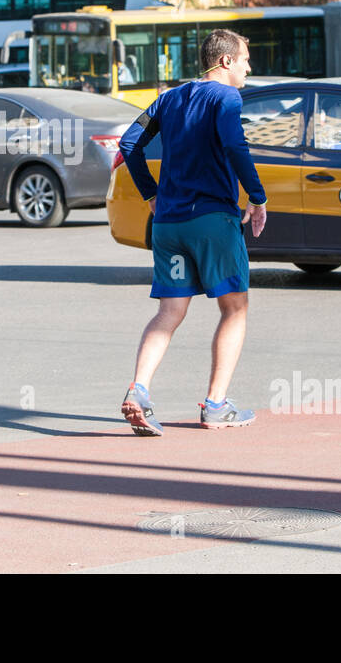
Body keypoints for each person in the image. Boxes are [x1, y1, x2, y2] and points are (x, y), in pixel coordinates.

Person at [116, 29, 268, 436]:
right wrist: (257, 195)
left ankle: (139, 391)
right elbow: (236, 147)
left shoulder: (168, 98)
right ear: (225, 62)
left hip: (168, 223)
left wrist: (151, 193)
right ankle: (216, 405)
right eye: (245, 59)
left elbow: (129, 143)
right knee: (234, 307)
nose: (248, 68)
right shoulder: (227, 98)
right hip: (212, 220)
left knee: (169, 312)